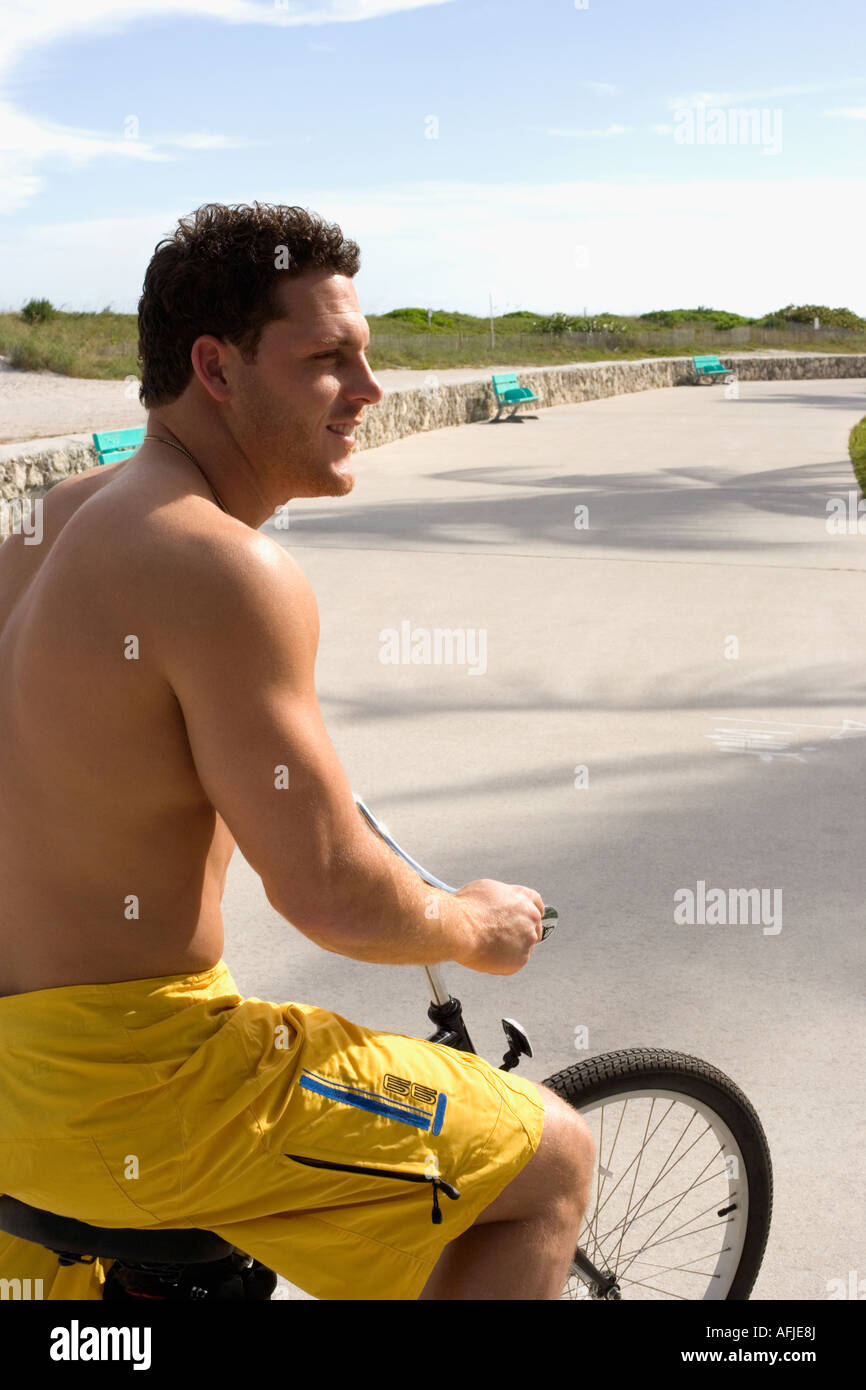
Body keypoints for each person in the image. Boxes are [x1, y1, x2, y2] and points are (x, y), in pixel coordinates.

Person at [0, 202, 594, 1301]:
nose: (368, 390)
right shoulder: (223, 568)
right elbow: (330, 895)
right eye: (328, 359)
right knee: (551, 1158)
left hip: (13, 1087)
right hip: (140, 1087)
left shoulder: (50, 525)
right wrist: (474, 924)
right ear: (215, 369)